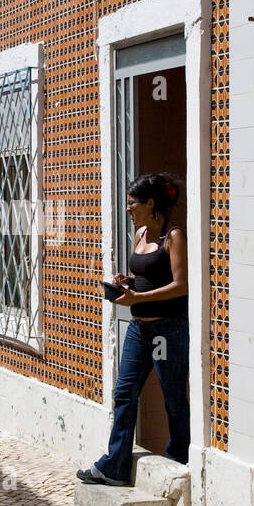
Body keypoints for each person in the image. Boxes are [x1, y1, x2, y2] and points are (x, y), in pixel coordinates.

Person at [78, 172, 190, 486]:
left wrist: (139, 296)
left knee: (173, 400)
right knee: (124, 394)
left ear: (149, 203)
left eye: (132, 203)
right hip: (138, 331)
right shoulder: (140, 233)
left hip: (167, 332)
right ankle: (114, 467)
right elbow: (147, 272)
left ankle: (180, 460)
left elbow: (181, 286)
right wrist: (127, 282)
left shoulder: (173, 236)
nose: (128, 208)